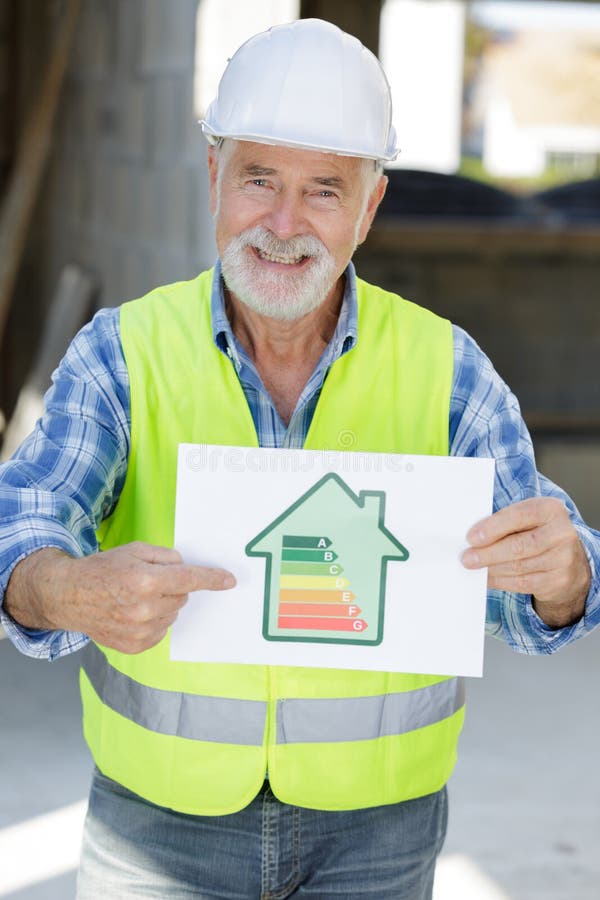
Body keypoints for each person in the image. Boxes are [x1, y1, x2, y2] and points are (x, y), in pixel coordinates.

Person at [0, 17, 598, 900]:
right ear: (214, 177)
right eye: (259, 180)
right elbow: (21, 524)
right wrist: (65, 589)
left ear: (370, 207)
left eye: (324, 189)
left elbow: (537, 588)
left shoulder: (447, 369)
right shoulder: (123, 354)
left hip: (379, 835)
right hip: (156, 825)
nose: (284, 224)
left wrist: (564, 576)